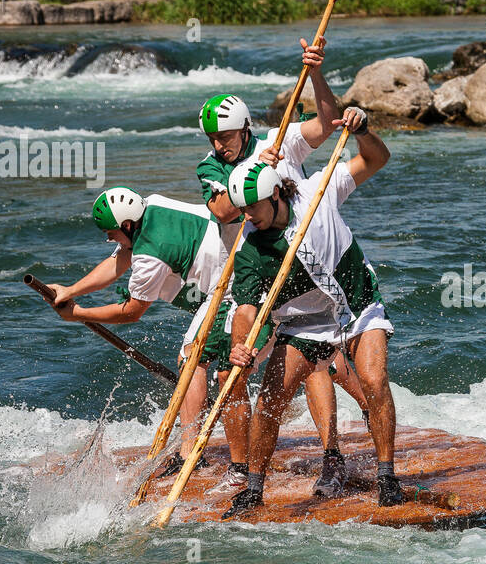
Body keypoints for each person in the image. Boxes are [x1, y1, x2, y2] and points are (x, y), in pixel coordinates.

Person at [195, 40, 372, 500]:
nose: (219, 145)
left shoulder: (281, 141)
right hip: (251, 271)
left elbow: (328, 123)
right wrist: (254, 176)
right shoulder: (212, 166)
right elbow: (223, 211)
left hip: (301, 266)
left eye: (226, 137)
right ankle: (243, 468)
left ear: (246, 128)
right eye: (213, 139)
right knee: (230, 370)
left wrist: (315, 72)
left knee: (318, 363)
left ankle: (335, 454)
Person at [223, 107, 399, 519]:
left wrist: (364, 132)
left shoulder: (318, 191)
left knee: (373, 379)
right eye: (242, 211)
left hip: (355, 305)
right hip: (302, 323)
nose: (247, 218)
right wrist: (239, 345)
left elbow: (376, 159)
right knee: (269, 400)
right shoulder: (250, 249)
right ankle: (253, 488)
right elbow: (247, 310)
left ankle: (387, 475)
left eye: (253, 209)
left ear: (276, 194)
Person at [46, 188, 257, 485]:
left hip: (231, 288)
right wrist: (70, 291)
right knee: (199, 359)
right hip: (235, 263)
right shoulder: (154, 205)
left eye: (111, 233)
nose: (108, 239)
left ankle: (190, 454)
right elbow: (121, 259)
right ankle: (194, 445)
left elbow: (132, 312)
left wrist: (79, 314)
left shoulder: (149, 255)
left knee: (191, 359)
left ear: (128, 226)